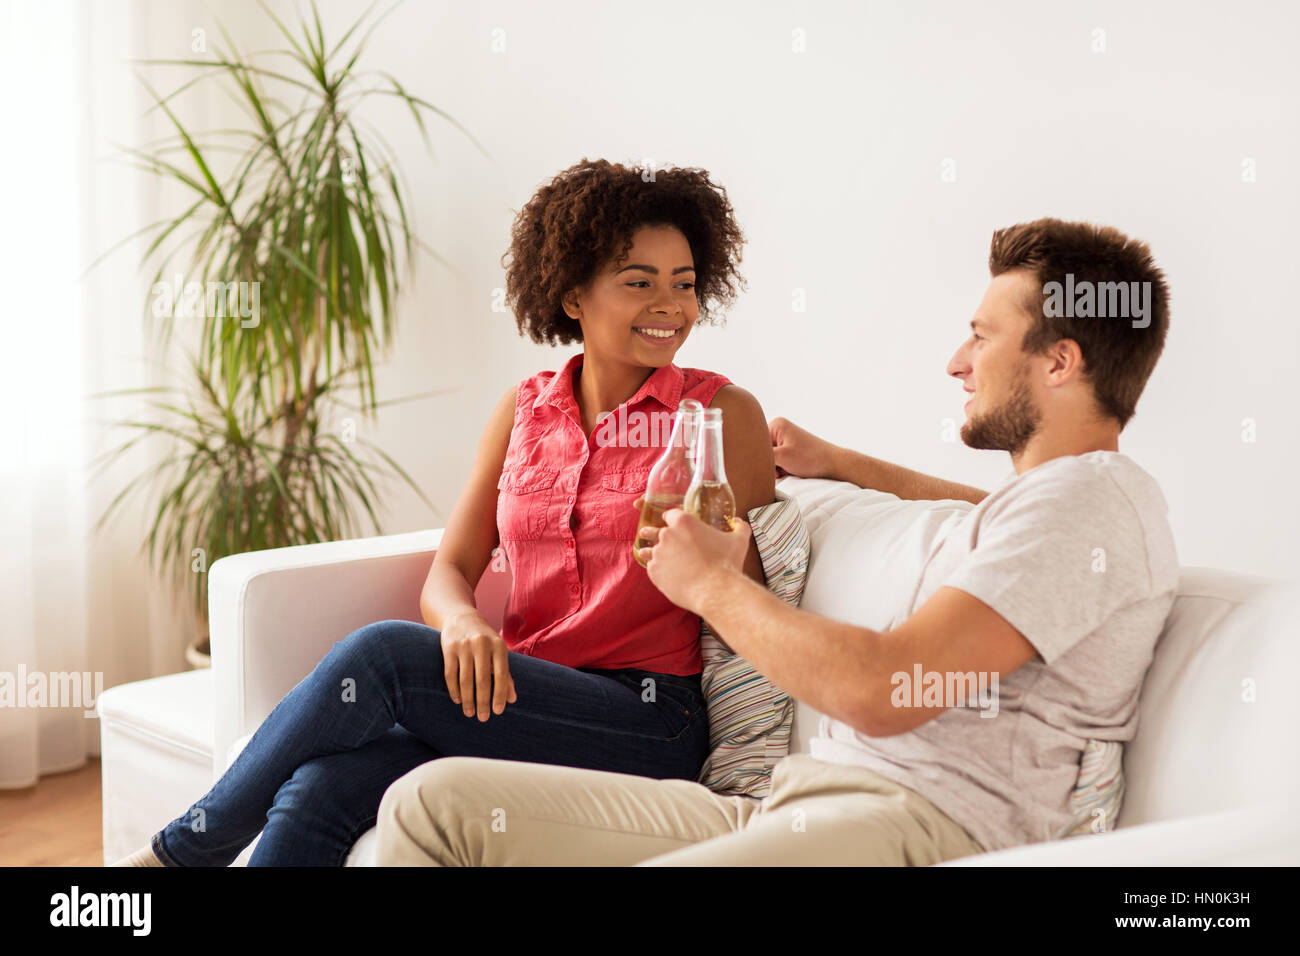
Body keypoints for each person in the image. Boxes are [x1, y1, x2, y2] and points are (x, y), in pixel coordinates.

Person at [373, 217, 1180, 866]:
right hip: (799, 800)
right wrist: (841, 464)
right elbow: (998, 510)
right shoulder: (1046, 507)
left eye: (982, 336)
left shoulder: (1091, 505)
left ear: (1060, 361)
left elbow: (885, 691)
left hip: (916, 824)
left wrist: (713, 586)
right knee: (431, 805)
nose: (957, 362)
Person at [114, 158, 775, 866]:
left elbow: (759, 595)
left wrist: (723, 553)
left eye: (684, 284)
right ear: (573, 294)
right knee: (320, 787)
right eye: (639, 282)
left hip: (650, 719)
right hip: (522, 692)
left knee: (386, 657)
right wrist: (462, 621)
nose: (670, 305)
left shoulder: (715, 415)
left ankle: (179, 856)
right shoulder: (525, 410)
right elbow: (451, 568)